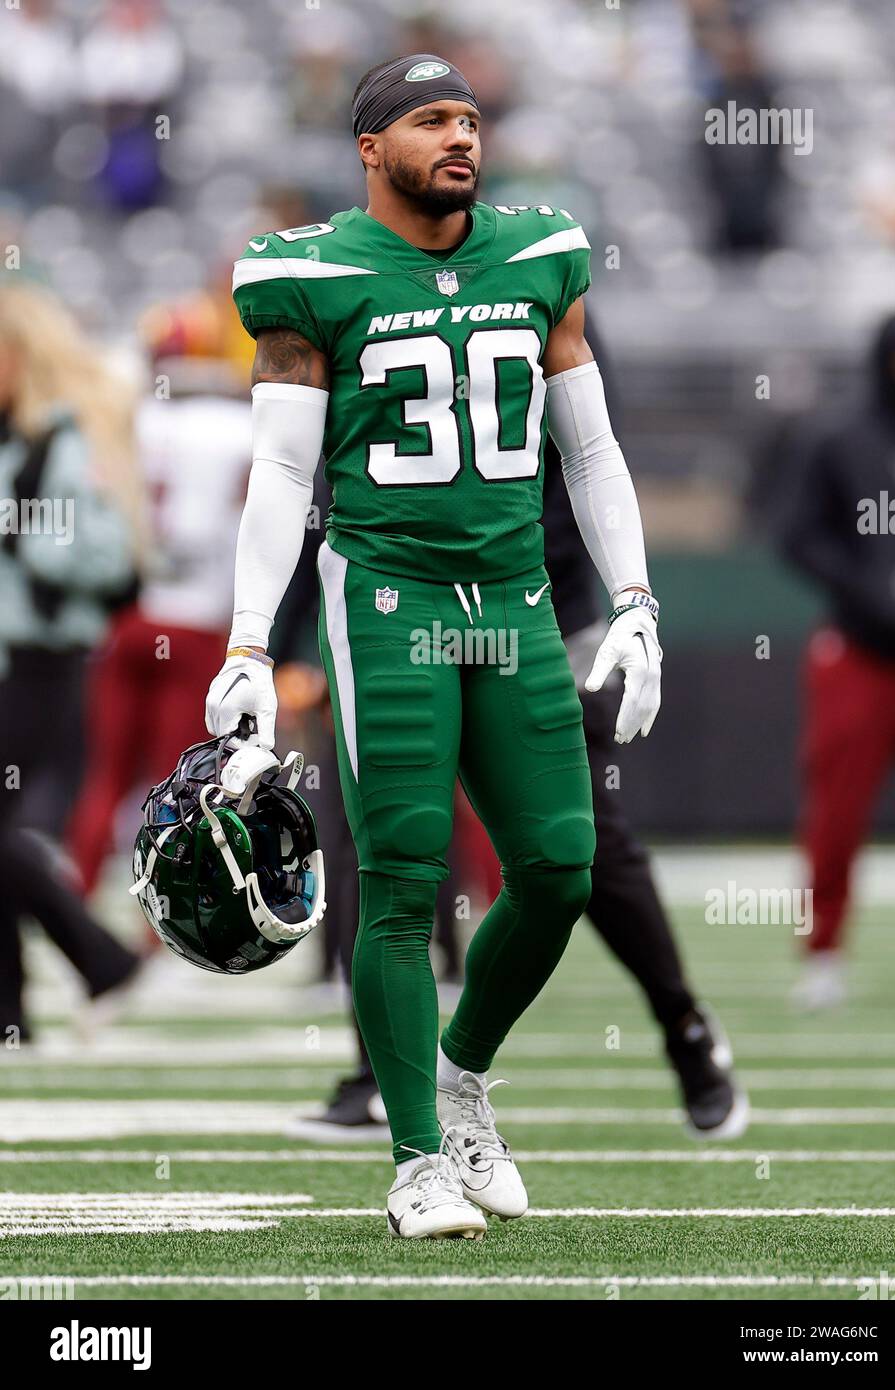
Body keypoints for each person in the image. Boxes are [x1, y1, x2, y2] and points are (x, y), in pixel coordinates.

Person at [206, 54, 662, 1240]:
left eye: (469, 118)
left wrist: (634, 599)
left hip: (511, 599)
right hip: (388, 600)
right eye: (429, 120)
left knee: (559, 868)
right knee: (403, 884)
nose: (460, 136)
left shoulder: (540, 250)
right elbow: (283, 472)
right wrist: (251, 641)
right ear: (370, 147)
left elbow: (593, 453)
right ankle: (414, 1157)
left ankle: (460, 1074)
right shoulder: (313, 271)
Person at [67, 299, 252, 896]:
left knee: (105, 778)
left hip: (133, 618)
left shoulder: (134, 419)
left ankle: (75, 897)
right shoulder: (239, 424)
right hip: (197, 624)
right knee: (181, 785)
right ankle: (164, 922)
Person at [0, 282, 142, 1043]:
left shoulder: (64, 438)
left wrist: (24, 535)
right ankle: (11, 1010)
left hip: (43, 656)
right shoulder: (18, 439)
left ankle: (100, 954)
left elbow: (107, 554)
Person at [778, 311, 895, 1009]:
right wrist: (870, 593)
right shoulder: (839, 435)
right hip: (859, 652)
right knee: (835, 813)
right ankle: (824, 953)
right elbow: (799, 535)